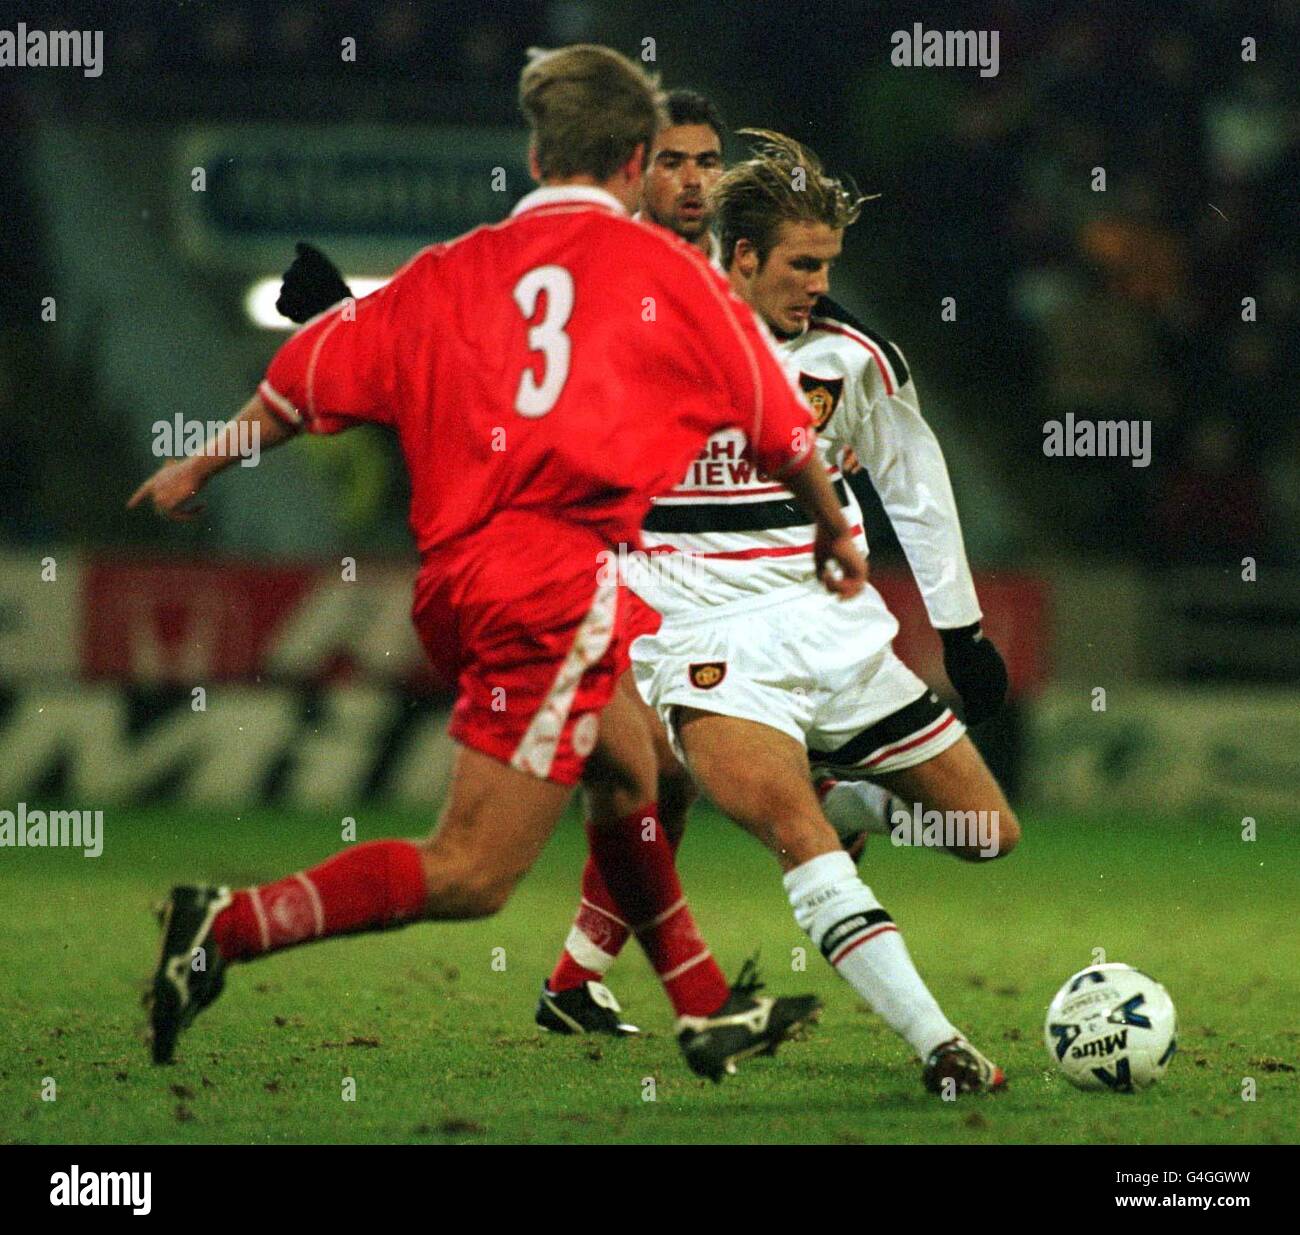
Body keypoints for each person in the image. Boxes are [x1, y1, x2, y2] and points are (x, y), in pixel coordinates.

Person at [128, 47, 865, 1079]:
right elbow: (774, 415)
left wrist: (201, 462)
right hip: (550, 582)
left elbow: (308, 369)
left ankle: (702, 1007)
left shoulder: (448, 268)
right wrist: (832, 525)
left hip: (457, 579)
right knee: (471, 872)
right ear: (635, 158)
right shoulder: (664, 273)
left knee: (630, 765)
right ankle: (228, 924)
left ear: (534, 152)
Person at [557, 131, 1019, 1094]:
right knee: (799, 843)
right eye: (802, 265)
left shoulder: (851, 360)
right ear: (741, 257)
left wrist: (962, 629)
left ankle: (841, 791)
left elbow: (917, 485)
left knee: (985, 833)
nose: (818, 283)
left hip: (836, 632)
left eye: (828, 264)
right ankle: (941, 1045)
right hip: (710, 643)